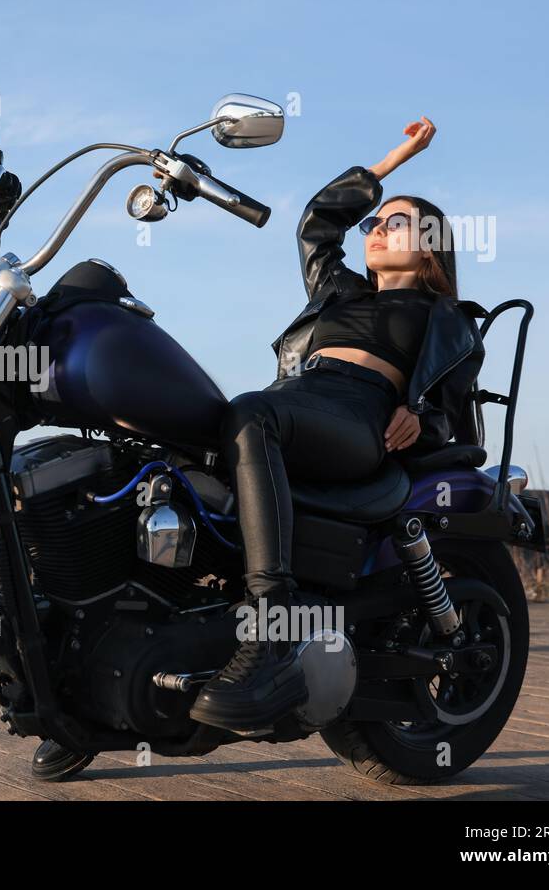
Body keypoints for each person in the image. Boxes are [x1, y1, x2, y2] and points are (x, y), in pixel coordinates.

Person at [189, 117, 486, 733]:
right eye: (374, 224)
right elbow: (318, 223)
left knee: (250, 412)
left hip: (362, 417)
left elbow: (451, 414)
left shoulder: (449, 318)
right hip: (302, 397)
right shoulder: (339, 290)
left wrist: (419, 418)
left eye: (394, 223)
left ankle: (271, 619)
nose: (375, 231)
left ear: (430, 244)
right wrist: (389, 164)